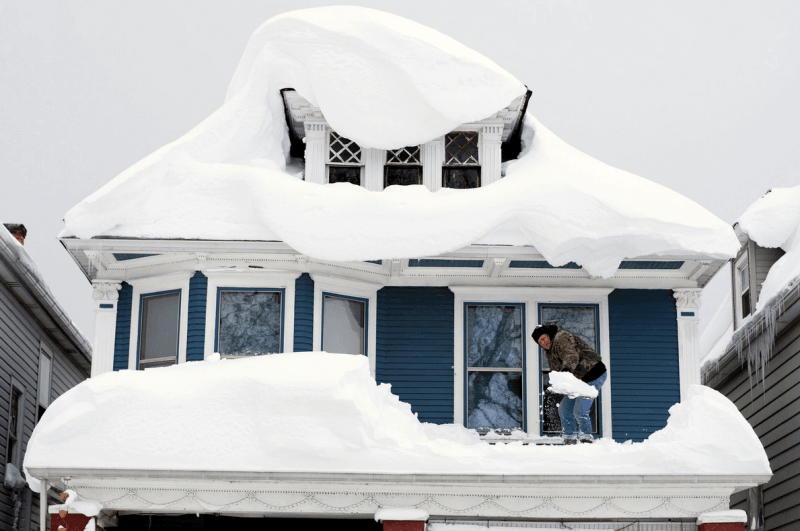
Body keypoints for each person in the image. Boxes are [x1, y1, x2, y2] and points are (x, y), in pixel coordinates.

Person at [532, 324, 607, 444]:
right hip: (578, 381)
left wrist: (566, 371)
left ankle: (586, 439)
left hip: (594, 374)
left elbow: (570, 355)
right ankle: (569, 438)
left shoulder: (562, 337)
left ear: (549, 335)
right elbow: (556, 371)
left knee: (580, 410)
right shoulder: (550, 353)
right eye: (540, 341)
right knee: (564, 410)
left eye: (544, 337)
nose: (543, 342)